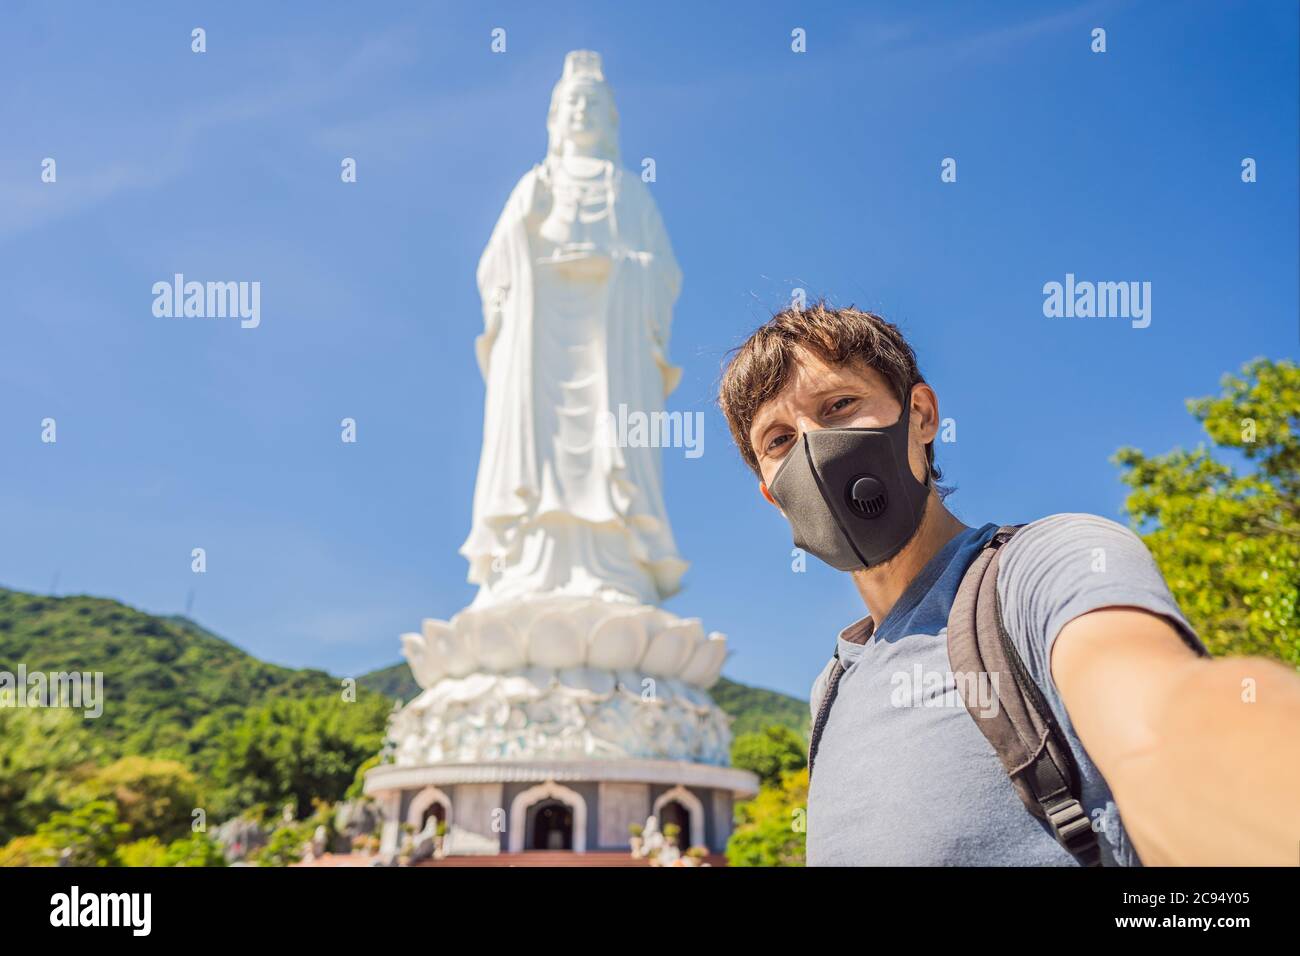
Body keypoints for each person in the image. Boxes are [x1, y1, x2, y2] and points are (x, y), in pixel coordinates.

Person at [718, 302, 1300, 866]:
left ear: (919, 416)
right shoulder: (833, 686)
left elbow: (1165, 719)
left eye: (840, 404)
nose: (814, 448)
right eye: (778, 440)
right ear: (770, 493)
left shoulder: (1046, 564)